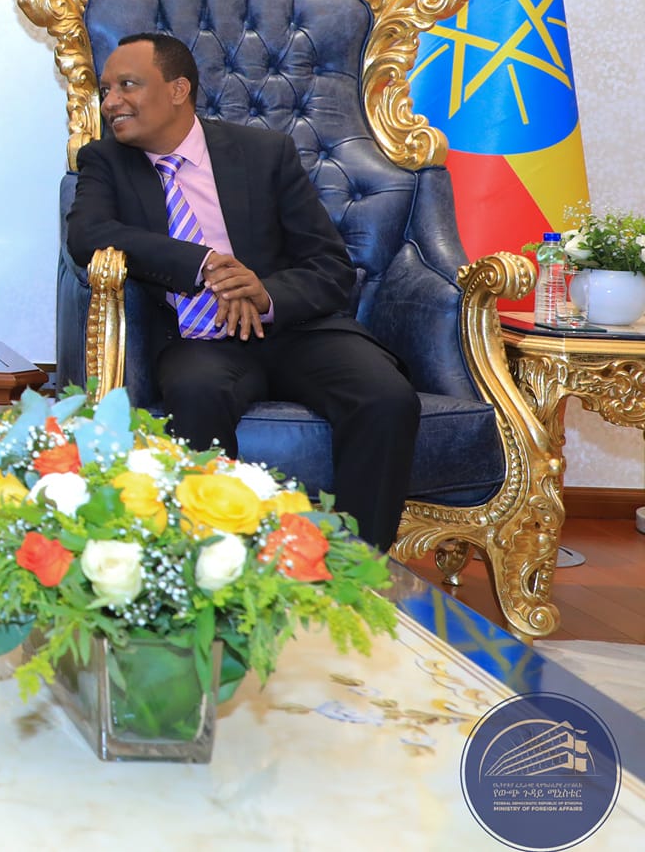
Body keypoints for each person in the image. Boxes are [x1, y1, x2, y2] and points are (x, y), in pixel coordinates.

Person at [64, 31, 419, 551]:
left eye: (127, 85)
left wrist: (264, 293)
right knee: (195, 392)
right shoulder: (106, 161)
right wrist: (202, 263)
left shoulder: (262, 153)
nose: (110, 101)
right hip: (198, 343)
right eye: (105, 89)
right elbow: (86, 235)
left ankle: (358, 565)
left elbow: (330, 267)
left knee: (386, 398)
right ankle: (214, 560)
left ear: (178, 89)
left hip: (297, 330)